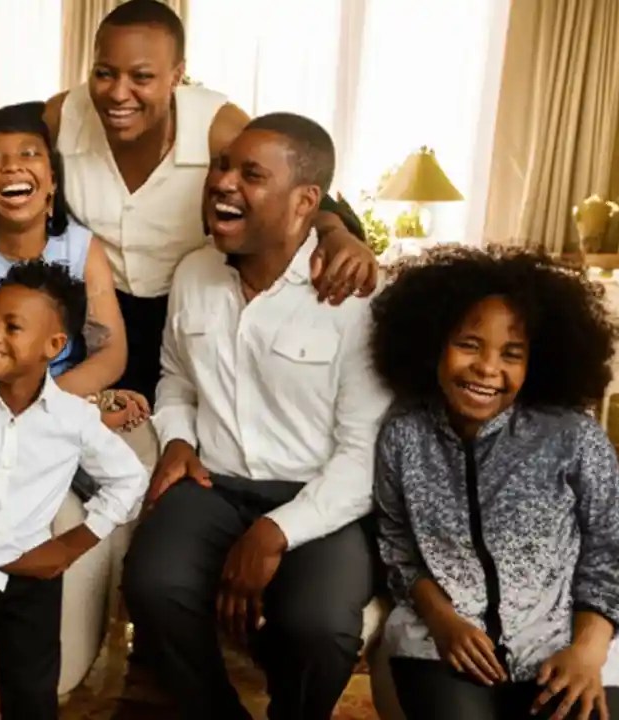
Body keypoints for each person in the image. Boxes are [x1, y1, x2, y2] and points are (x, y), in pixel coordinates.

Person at [0, 0, 376, 404]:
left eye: (142, 77)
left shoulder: (218, 123)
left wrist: (335, 232)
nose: (117, 93)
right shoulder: (65, 113)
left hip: (190, 310)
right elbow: (2, 152)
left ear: (177, 75)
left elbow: (286, 180)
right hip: (104, 318)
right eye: (105, 73)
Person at [121, 113, 391, 719]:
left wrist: (274, 533)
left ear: (305, 203)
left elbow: (362, 455)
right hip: (212, 483)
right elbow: (176, 378)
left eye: (251, 174)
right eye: (221, 165)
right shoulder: (193, 273)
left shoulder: (356, 297)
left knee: (320, 626)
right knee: (153, 585)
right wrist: (178, 440)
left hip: (320, 497)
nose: (223, 182)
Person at [369, 246, 619, 720]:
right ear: (433, 343)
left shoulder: (574, 436)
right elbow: (399, 548)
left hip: (566, 645)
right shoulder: (404, 434)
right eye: (469, 344)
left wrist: (588, 651)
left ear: (537, 362)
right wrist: (444, 622)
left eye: (511, 354)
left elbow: (611, 555)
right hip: (443, 644)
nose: (488, 368)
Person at [0, 260, 149, 719]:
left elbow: (128, 478)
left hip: (34, 576)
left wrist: (69, 547)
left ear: (53, 346)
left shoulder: (72, 419)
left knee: (33, 694)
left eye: (12, 326)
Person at [0, 104, 148, 439]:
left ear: (52, 182)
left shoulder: (81, 248)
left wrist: (51, 402)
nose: (12, 165)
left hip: (65, 388)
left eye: (29, 153)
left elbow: (110, 352)